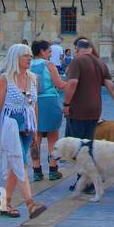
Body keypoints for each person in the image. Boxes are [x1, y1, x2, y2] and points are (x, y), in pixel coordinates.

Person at [0, 43, 46, 219]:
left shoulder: (32, 78)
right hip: (11, 124)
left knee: (15, 164)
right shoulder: (6, 79)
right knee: (21, 162)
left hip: (27, 126)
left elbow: (34, 105)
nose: (29, 58)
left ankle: (5, 204)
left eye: (30, 56)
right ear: (15, 58)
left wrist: (35, 129)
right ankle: (31, 204)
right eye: (25, 56)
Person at [62, 37, 114, 142]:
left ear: (77, 49)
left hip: (78, 110)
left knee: (74, 144)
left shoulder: (77, 61)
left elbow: (72, 83)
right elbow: (111, 87)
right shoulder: (101, 63)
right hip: (95, 111)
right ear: (91, 49)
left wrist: (66, 104)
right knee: (88, 144)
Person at [29, 40, 66, 180]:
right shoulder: (49, 65)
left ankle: (37, 171)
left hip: (33, 102)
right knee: (52, 138)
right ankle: (53, 170)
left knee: (35, 139)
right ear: (42, 51)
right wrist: (73, 83)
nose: (51, 54)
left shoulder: (27, 65)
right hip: (49, 101)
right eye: (49, 51)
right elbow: (59, 84)